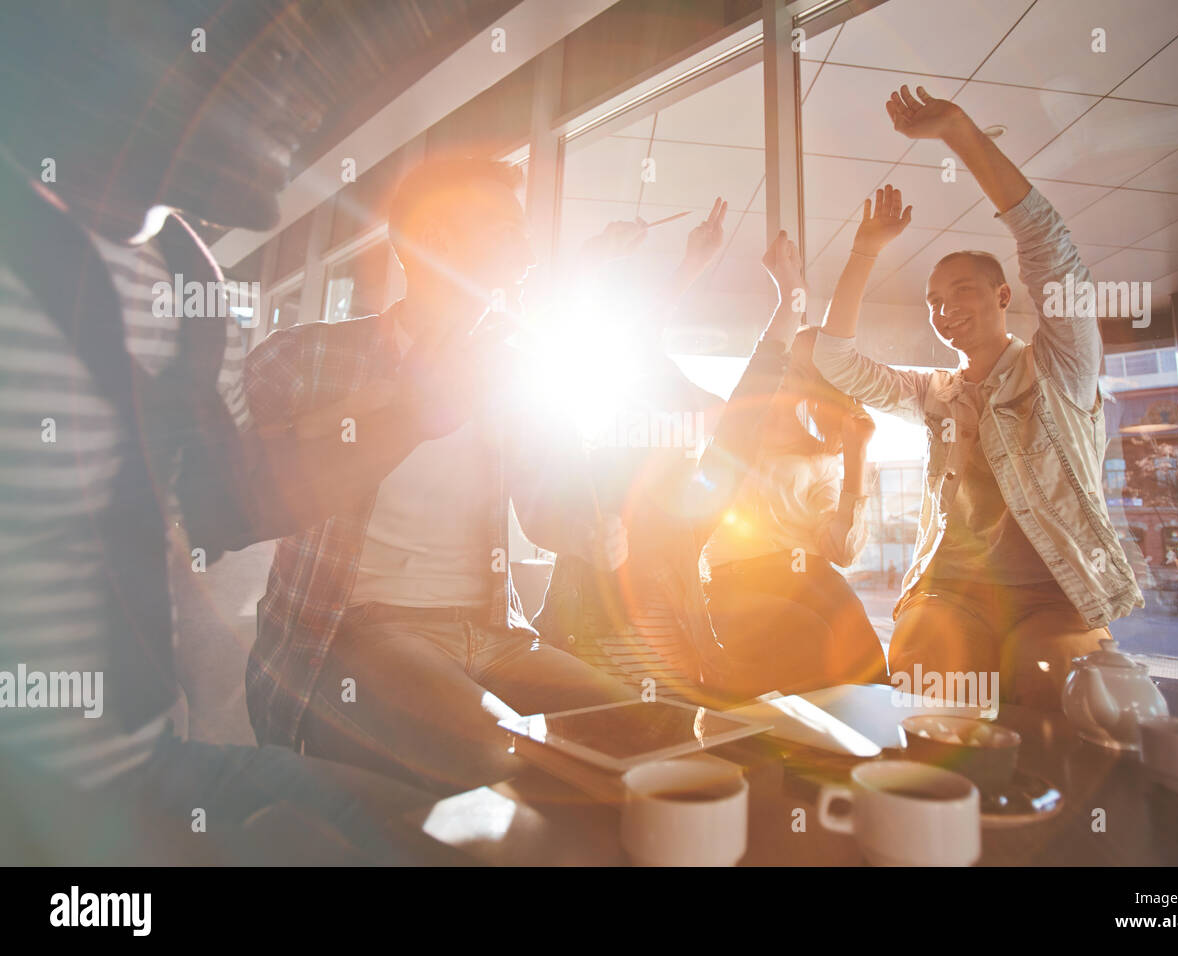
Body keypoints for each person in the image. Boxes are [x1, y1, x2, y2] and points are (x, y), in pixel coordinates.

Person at [0, 1, 469, 864]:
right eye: (284, 54)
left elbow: (226, 501)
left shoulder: (188, 281)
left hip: (151, 770)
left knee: (461, 843)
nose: (312, 96)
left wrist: (414, 409)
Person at [243, 156, 637, 794]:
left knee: (638, 732)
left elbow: (542, 510)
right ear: (436, 241)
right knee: (497, 758)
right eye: (507, 231)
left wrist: (586, 534)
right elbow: (232, 483)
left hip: (495, 631)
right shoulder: (304, 357)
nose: (528, 254)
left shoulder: (516, 374)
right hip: (363, 627)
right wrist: (388, 404)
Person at [813, 85, 1143, 709]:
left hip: (1054, 590)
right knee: (926, 688)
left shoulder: (1060, 368)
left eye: (960, 291)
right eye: (933, 300)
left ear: (1000, 297)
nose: (944, 310)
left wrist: (960, 133)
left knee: (1056, 694)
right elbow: (834, 360)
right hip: (952, 589)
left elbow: (1052, 251)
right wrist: (866, 249)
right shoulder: (934, 393)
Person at [534, 219, 803, 705]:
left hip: (677, 713)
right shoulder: (588, 499)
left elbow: (754, 395)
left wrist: (790, 299)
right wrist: (598, 264)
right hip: (584, 707)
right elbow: (597, 345)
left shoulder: (692, 507)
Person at [702, 326, 887, 698]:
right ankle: (788, 739)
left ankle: (859, 749)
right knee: (809, 639)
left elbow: (841, 552)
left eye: (799, 374)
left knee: (862, 655)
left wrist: (855, 454)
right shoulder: (728, 433)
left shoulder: (819, 460)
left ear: (814, 388)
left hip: (810, 577)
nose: (785, 379)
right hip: (737, 580)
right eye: (783, 366)